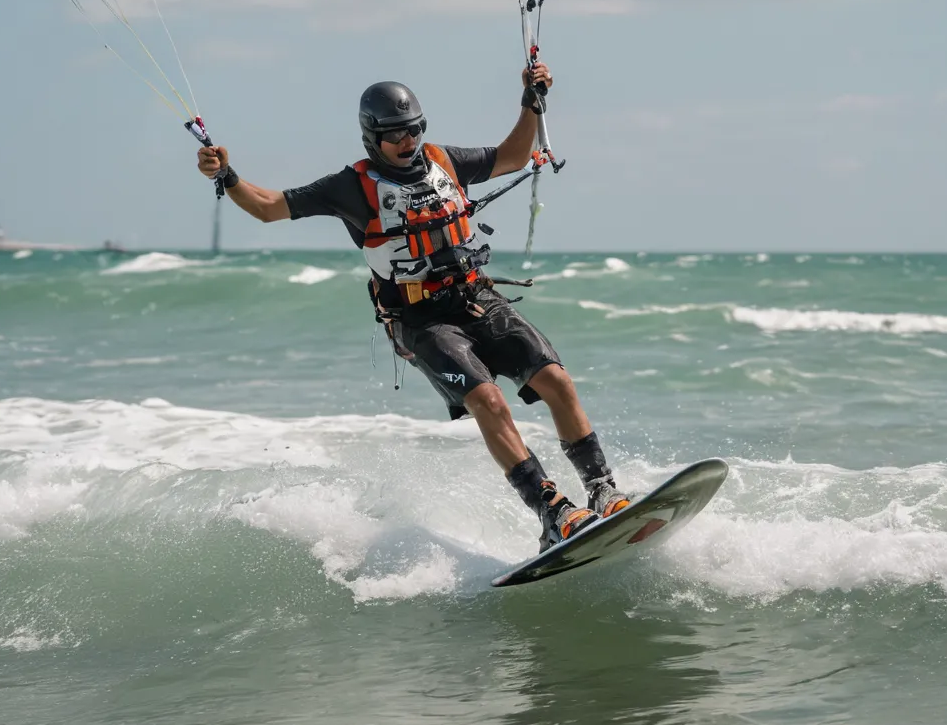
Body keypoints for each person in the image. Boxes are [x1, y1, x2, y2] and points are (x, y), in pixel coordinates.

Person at [196, 63, 631, 552]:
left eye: (415, 129)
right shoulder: (350, 188)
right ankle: (552, 514)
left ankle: (603, 490)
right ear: (371, 137)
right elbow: (267, 206)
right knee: (488, 400)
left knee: (556, 380)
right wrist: (228, 175)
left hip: (475, 297)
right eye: (395, 134)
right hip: (419, 319)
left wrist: (530, 102)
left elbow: (513, 155)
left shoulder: (444, 160)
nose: (408, 141)